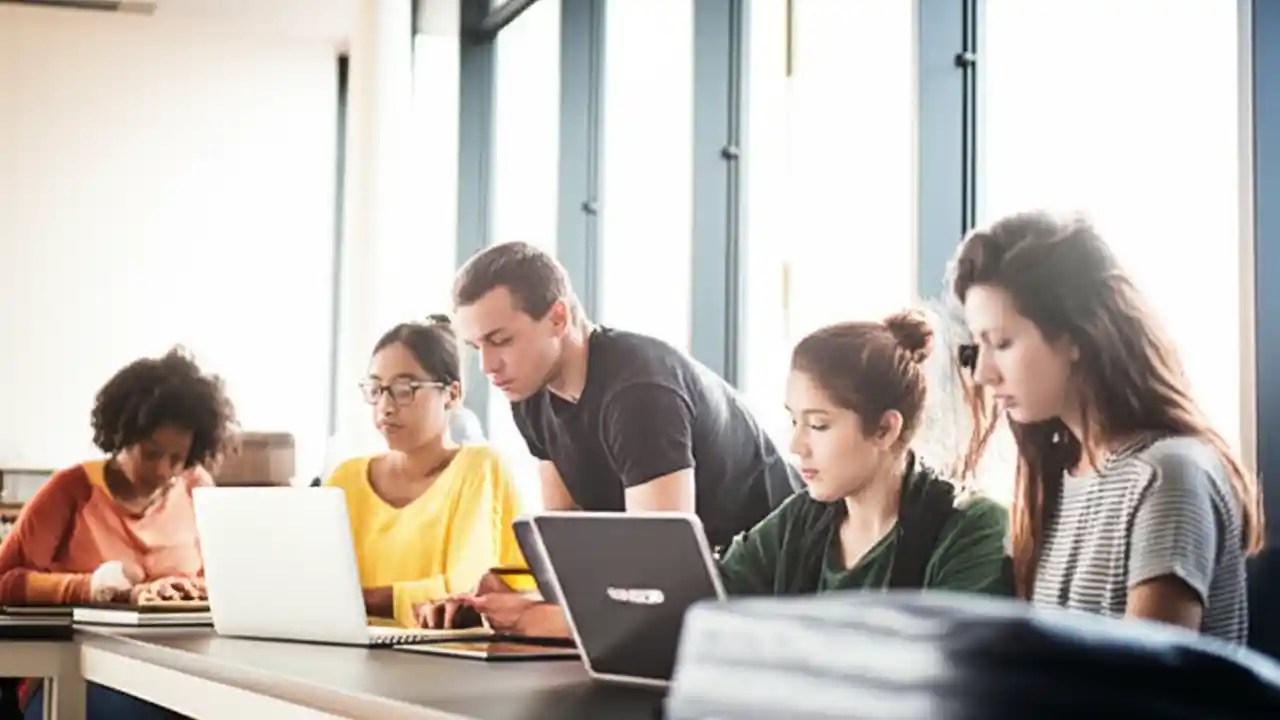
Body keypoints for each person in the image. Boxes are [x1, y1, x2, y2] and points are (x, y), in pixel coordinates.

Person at [427, 242, 801, 635]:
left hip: (774, 595)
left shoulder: (639, 390)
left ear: (558, 317)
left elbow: (662, 583)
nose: (487, 366)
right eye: (476, 347)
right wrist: (508, 602)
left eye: (501, 340)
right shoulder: (529, 392)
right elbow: (569, 552)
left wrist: (534, 618)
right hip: (700, 607)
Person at [951, 210, 1264, 642]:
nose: (983, 373)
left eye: (1002, 343)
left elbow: (1145, 691)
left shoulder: (1166, 477)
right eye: (978, 346)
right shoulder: (1061, 476)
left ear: (1076, 336)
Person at [0, 347, 234, 719]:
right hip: (75, 674)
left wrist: (187, 589)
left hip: (182, 672)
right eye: (151, 453)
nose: (164, 470)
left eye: (177, 458)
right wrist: (92, 587)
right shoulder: (71, 490)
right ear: (122, 435)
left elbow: (225, 579)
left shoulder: (196, 489)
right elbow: (5, 581)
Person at [717, 311, 1012, 596]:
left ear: (885, 429)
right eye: (795, 421)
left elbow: (955, 644)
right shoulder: (798, 523)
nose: (796, 446)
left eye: (818, 425)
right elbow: (709, 593)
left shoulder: (969, 529)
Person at [325, 316, 530, 629]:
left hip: (446, 662)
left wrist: (360, 599)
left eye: (405, 389)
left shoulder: (479, 467)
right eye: (376, 389)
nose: (386, 406)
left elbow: (465, 589)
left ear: (452, 394)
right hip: (350, 655)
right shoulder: (346, 479)